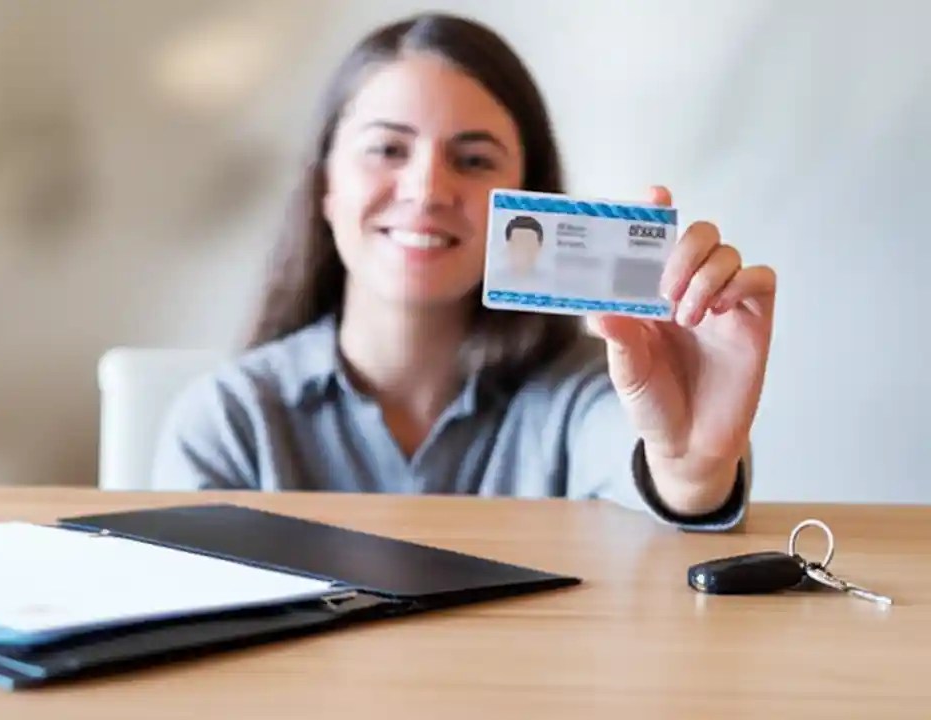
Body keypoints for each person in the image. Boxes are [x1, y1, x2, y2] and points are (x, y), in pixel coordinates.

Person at [149, 12, 776, 531]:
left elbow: (665, 527)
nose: (426, 189)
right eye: (388, 149)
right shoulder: (230, 420)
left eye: (474, 160)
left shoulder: (588, 396)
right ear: (326, 187)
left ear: (528, 199)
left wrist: (689, 468)